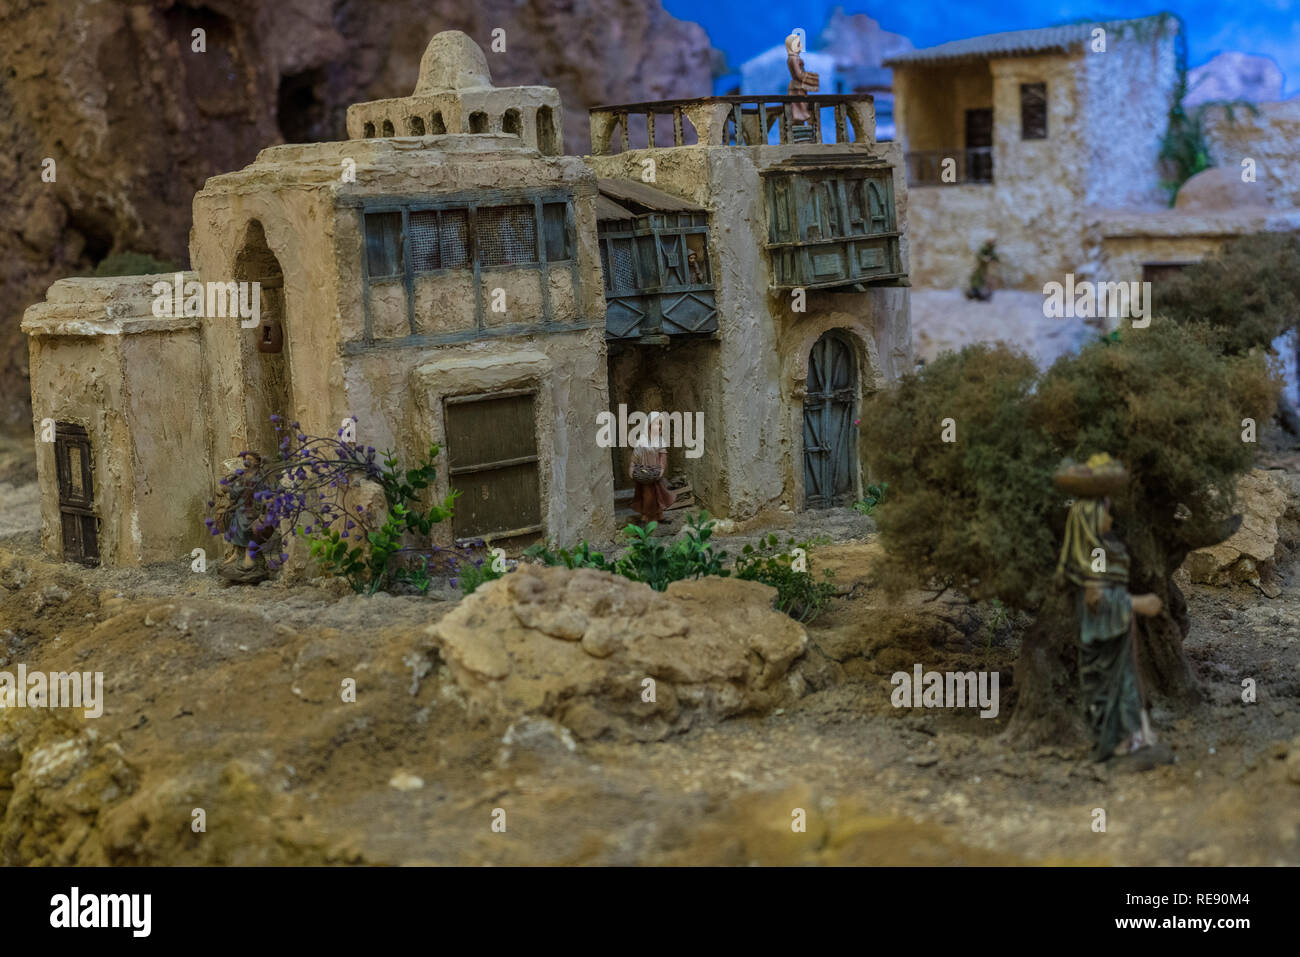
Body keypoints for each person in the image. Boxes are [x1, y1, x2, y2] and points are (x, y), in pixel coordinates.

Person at [1055, 488, 1165, 762]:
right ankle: (1120, 742)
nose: (1111, 517)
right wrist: (1138, 603)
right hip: (1103, 632)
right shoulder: (1094, 554)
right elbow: (1095, 597)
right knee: (1116, 684)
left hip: (1116, 630)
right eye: (1106, 510)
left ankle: (1132, 739)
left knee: (1126, 681)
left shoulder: (1104, 549)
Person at [629, 411, 676, 526]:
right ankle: (645, 517)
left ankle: (660, 516)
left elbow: (663, 456)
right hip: (644, 473)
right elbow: (636, 454)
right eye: (656, 424)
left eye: (660, 424)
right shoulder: (643, 439)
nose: (659, 427)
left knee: (658, 495)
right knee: (647, 496)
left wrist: (661, 469)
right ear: (649, 425)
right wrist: (632, 466)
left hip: (655, 473)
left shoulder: (660, 440)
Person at [785, 33, 815, 125]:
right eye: (798, 44)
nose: (801, 46)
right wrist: (811, 79)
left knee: (801, 109)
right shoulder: (793, 59)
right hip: (797, 87)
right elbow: (798, 74)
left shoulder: (795, 58)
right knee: (798, 111)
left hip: (800, 86)